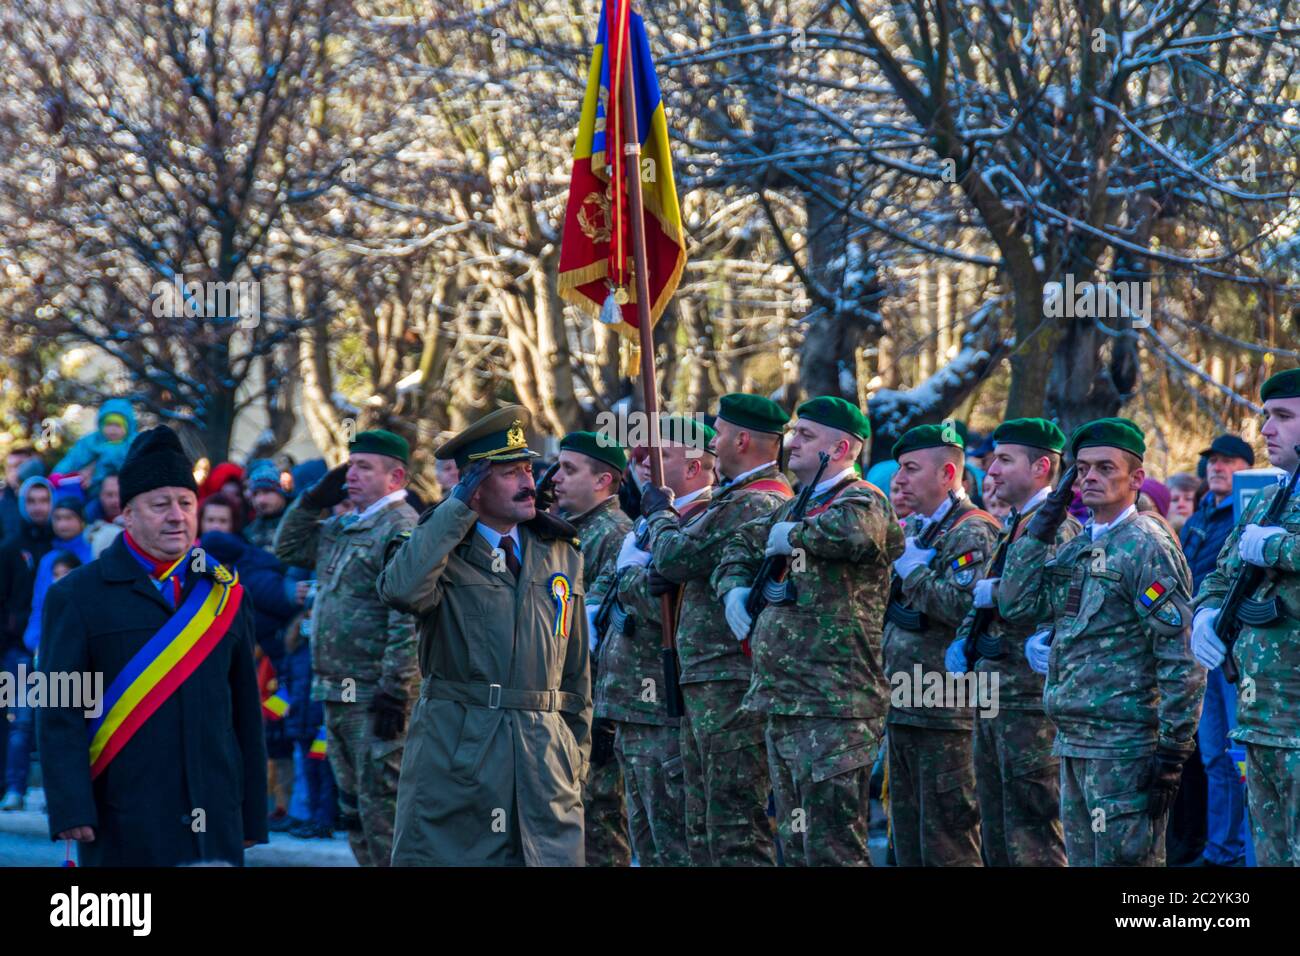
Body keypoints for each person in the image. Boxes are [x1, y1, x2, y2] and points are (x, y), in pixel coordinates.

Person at [36, 426, 267, 866]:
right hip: (123, 816)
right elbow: (57, 710)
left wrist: (251, 815)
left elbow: (244, 712)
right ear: (126, 513)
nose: (177, 516)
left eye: (185, 503)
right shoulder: (77, 595)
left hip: (212, 815)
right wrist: (70, 805)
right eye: (160, 505)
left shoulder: (225, 593)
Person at [377, 406, 591, 866]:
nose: (528, 482)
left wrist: (575, 755)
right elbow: (401, 590)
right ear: (474, 486)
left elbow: (576, 672)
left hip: (545, 766)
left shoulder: (560, 552)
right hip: (461, 760)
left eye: (528, 469)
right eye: (510, 472)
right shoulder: (434, 548)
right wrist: (453, 510)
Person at [1000, 417, 1204, 866]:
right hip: (1074, 738)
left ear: (1136, 480)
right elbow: (1015, 603)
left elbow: (1180, 655)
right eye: (1082, 468)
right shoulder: (1078, 545)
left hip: (1124, 744)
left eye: (1105, 468)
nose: (1090, 476)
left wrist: (1173, 750)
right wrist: (1042, 524)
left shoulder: (1146, 544)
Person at [715, 397, 904, 866]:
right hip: (784, 700)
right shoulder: (798, 503)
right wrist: (734, 590)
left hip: (834, 706)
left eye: (806, 435)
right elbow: (738, 541)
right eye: (794, 432)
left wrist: (796, 537)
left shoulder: (862, 498)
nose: (792, 441)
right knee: (797, 847)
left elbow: (858, 534)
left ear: (840, 448)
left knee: (832, 847)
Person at [643, 393, 793, 866]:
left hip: (730, 682)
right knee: (704, 820)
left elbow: (674, 556)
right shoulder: (735, 496)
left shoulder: (756, 501)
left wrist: (658, 514)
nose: (714, 441)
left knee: (733, 825)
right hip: (708, 678)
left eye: (721, 433)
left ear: (743, 440)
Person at [274, 430, 419, 867]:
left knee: (384, 809)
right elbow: (288, 547)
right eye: (350, 466)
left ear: (396, 477)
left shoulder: (401, 529)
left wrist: (395, 687)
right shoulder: (343, 526)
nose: (350, 476)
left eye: (364, 467)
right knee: (354, 809)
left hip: (375, 696)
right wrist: (311, 499)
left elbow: (405, 615)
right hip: (335, 690)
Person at [946, 418, 1080, 866]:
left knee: (1034, 833)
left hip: (1030, 705)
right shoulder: (1017, 524)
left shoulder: (1057, 529)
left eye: (1005, 460)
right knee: (1000, 831)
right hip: (997, 700)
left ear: (1042, 466)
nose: (992, 470)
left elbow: (1065, 610)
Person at [1192, 371, 1300, 865]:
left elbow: (1265, 551)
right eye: (1267, 416)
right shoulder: (1268, 497)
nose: (1266, 430)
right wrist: (1207, 613)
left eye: (1282, 416)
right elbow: (1221, 573)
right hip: (1260, 719)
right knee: (1270, 854)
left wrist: (1275, 545)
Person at [597, 417, 715, 866]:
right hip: (632, 710)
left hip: (668, 711)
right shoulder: (651, 523)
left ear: (695, 468)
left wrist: (628, 575)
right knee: (646, 847)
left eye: (663, 456)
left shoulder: (699, 523)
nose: (647, 464)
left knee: (677, 848)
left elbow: (670, 611)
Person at [883, 423, 1000, 866]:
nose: (899, 480)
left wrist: (913, 573)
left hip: (947, 713)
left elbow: (965, 609)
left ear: (947, 473)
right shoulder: (918, 529)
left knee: (947, 843)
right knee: (908, 843)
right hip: (907, 705)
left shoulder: (973, 531)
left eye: (911, 469)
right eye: (899, 470)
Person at [551, 430, 633, 866]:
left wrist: (604, 720)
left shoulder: (615, 535)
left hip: (594, 708)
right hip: (563, 704)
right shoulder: (566, 530)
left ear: (603, 480)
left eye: (568, 469)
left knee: (599, 827)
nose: (555, 479)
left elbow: (598, 632)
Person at [1179, 434, 1254, 867]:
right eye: (1211, 461)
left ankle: (1244, 850)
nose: (1217, 468)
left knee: (1241, 757)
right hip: (1200, 652)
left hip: (1237, 656)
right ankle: (1220, 850)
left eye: (1227, 461)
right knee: (1213, 757)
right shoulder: (1201, 516)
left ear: (1246, 467)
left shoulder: (1248, 512)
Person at [52, 398, 137, 496]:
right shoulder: (91, 441)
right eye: (108, 425)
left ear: (128, 427)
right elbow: (73, 458)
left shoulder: (133, 443)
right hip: (91, 491)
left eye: (118, 425)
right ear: (101, 425)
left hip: (125, 492)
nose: (113, 430)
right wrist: (58, 473)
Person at [245, 460, 290, 551]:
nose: (260, 500)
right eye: (255, 494)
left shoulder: (297, 522)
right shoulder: (250, 531)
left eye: (267, 492)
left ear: (281, 493)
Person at [0, 444, 39, 542]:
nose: (14, 472)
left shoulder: (48, 497)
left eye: (19, 466)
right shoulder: (2, 502)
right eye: (9, 467)